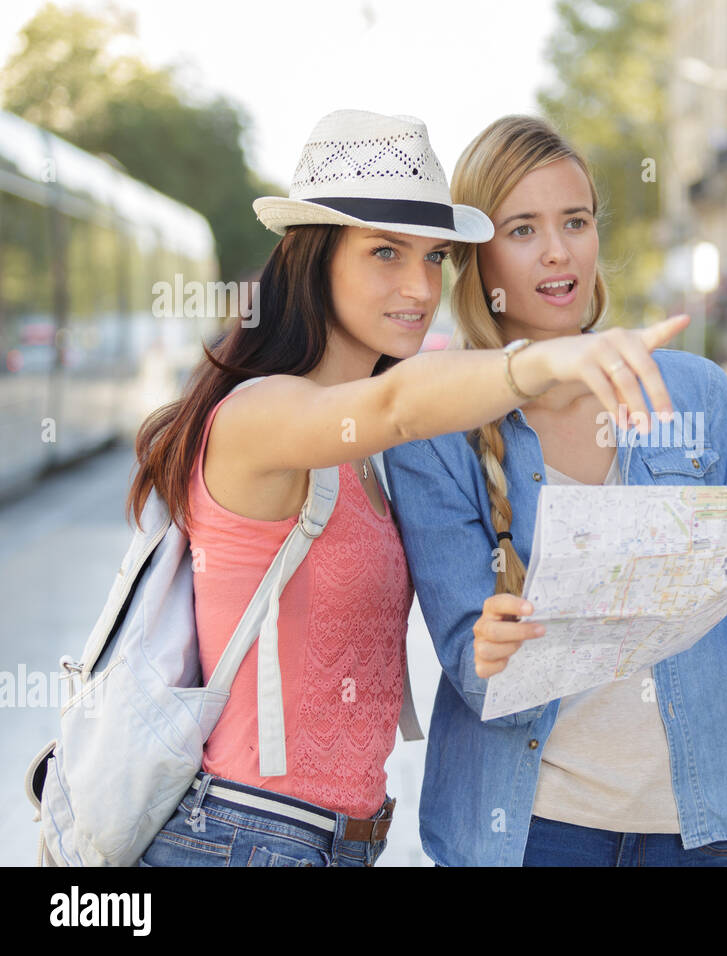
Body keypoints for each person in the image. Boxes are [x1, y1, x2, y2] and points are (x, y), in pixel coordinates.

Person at [126, 110, 684, 867]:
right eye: (385, 252)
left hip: (335, 843)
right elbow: (396, 404)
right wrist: (551, 359)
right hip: (244, 836)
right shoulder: (261, 413)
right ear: (313, 258)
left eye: (434, 258)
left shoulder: (360, 453)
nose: (418, 286)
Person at [384, 115, 727, 868]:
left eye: (575, 221)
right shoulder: (435, 427)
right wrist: (499, 644)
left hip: (692, 830)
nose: (560, 250)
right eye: (524, 229)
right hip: (532, 833)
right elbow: (474, 673)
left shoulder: (696, 394)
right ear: (479, 258)